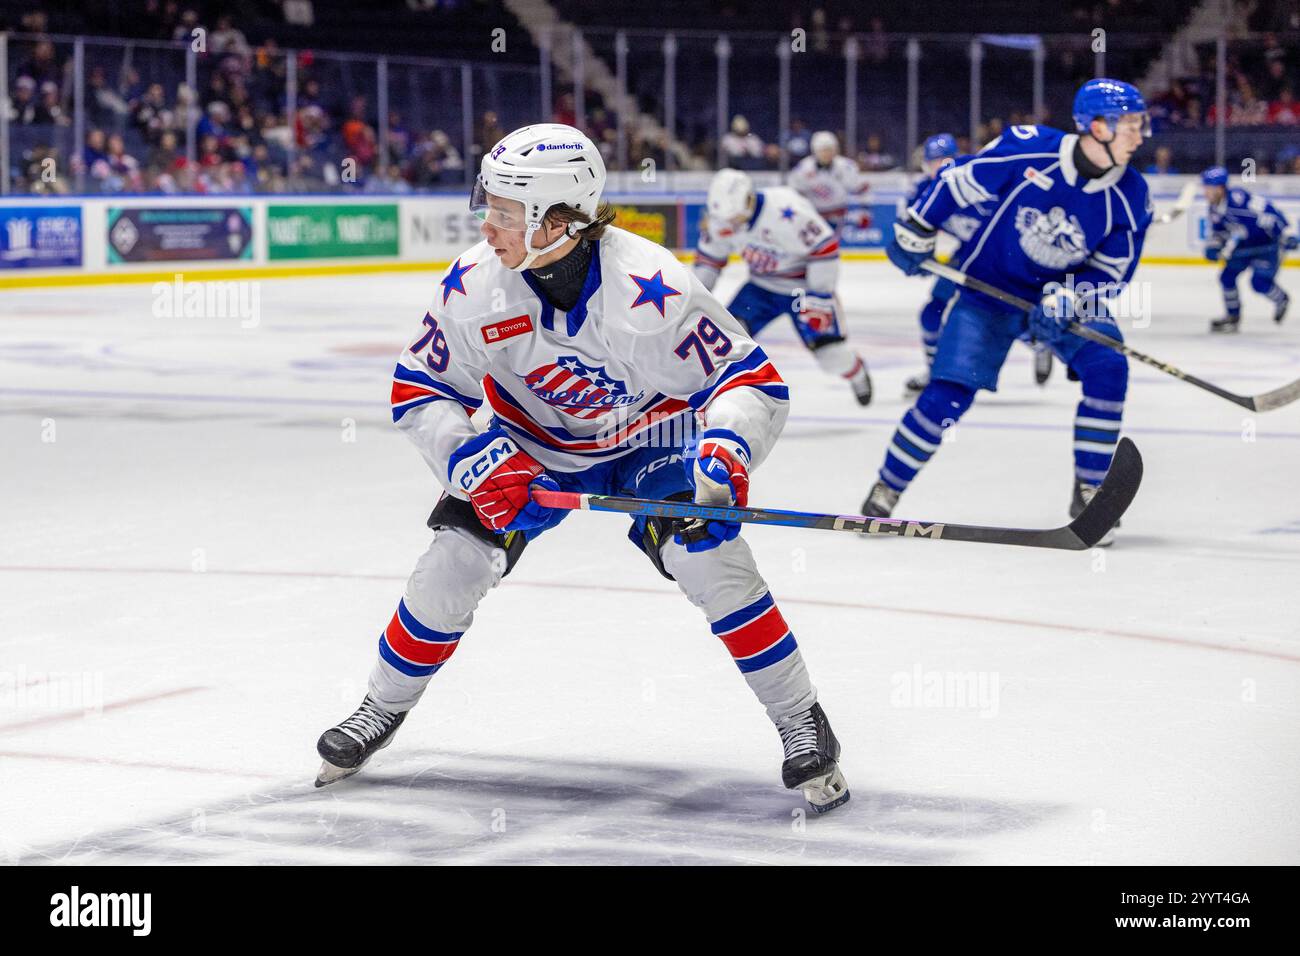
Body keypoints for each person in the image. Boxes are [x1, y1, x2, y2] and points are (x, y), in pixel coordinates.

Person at [316, 125, 850, 813]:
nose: (489, 224)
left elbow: (749, 380)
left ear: (559, 221)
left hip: (650, 439)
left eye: (506, 212)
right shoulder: (475, 285)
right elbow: (419, 388)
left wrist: (725, 452)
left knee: (709, 558)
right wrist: (469, 457)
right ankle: (378, 709)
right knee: (454, 561)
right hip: (528, 444)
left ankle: (800, 717)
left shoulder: (651, 289)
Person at [863, 79, 1154, 547]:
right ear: (1097, 127)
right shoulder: (1030, 148)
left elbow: (1113, 270)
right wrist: (918, 226)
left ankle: (1089, 489)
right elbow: (957, 181)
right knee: (946, 396)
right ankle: (888, 486)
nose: (1140, 136)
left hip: (1060, 300)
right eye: (1131, 126)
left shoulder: (1132, 195)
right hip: (988, 294)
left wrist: (1072, 295)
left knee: (1108, 365)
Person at [693, 168, 873, 406]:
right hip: (759, 288)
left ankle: (857, 371)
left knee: (830, 355)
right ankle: (724, 399)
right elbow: (710, 259)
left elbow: (825, 247)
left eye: (736, 218)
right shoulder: (721, 218)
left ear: (749, 200)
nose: (732, 226)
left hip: (802, 289)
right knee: (723, 346)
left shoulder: (786, 209)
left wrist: (819, 295)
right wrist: (695, 296)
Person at [901, 133, 1053, 395]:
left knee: (1005, 315)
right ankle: (935, 371)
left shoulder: (977, 185)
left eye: (945, 161)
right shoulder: (921, 192)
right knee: (931, 313)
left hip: (1000, 256)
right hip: (965, 255)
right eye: (932, 163)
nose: (938, 168)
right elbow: (915, 228)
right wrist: (919, 253)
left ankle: (1041, 345)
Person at [1201, 166, 1294, 332]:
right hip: (1244, 246)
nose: (1205, 192)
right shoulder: (1214, 207)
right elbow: (1220, 232)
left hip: (1267, 247)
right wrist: (1214, 247)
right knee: (1227, 277)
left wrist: (1287, 235)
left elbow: (1274, 215)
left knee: (1259, 283)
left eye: (1208, 188)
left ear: (1220, 189)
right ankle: (1232, 318)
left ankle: (1282, 299)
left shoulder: (1240, 201)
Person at [789, 130, 870, 234]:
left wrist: (865, 213)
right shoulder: (803, 168)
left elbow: (862, 189)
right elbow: (794, 193)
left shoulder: (846, 167)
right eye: (823, 150)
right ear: (815, 151)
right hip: (812, 216)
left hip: (837, 215)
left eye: (830, 149)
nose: (827, 154)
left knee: (831, 246)